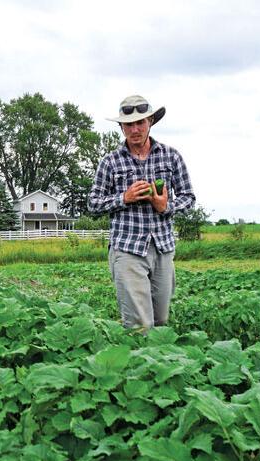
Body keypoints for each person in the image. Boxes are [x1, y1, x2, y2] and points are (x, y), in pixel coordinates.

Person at [88, 95, 196, 331]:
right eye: (129, 125)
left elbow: (188, 199)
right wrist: (123, 198)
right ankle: (137, 365)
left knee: (161, 321)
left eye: (140, 123)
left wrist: (164, 206)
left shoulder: (171, 156)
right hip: (127, 248)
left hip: (162, 248)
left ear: (150, 122)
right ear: (121, 127)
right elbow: (93, 203)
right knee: (140, 325)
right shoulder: (110, 162)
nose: (135, 129)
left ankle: (157, 365)